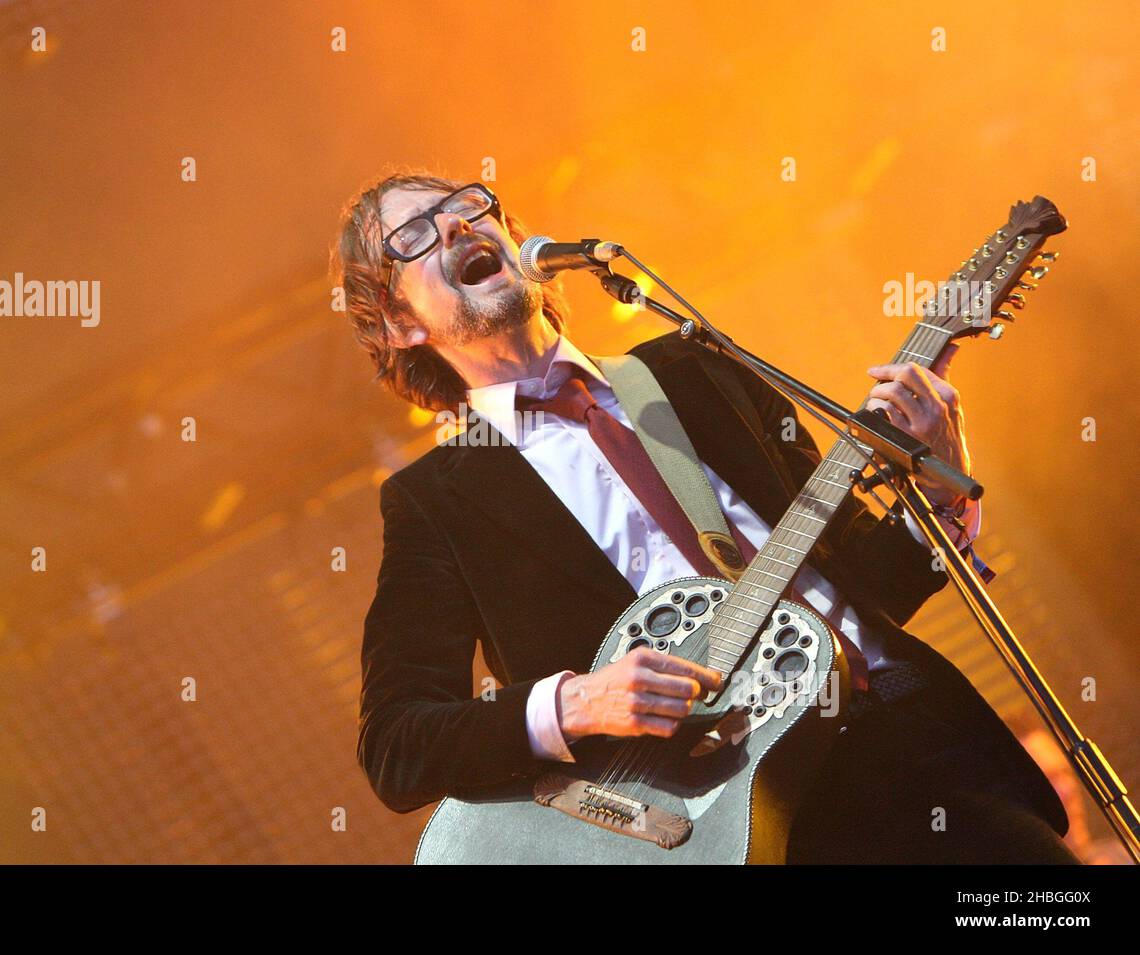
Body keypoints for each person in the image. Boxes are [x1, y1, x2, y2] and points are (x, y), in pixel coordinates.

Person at [333, 171, 1077, 863]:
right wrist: (577, 702)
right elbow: (398, 746)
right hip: (744, 822)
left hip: (916, 743)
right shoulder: (436, 501)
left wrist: (938, 494)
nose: (457, 225)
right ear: (400, 324)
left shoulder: (698, 368)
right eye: (415, 236)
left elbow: (872, 578)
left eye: (467, 204)